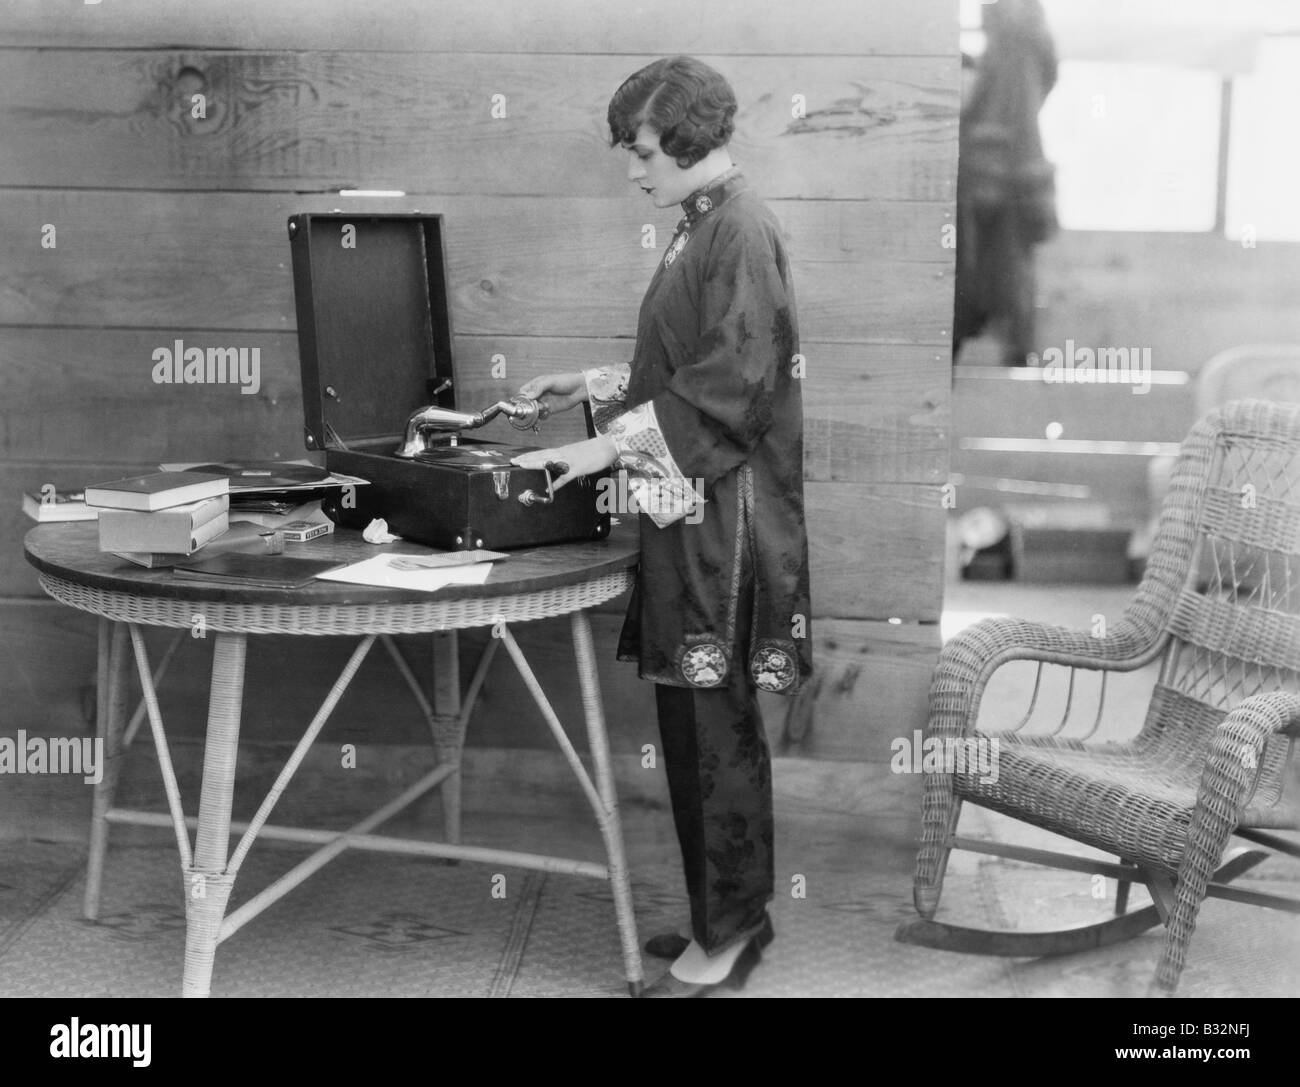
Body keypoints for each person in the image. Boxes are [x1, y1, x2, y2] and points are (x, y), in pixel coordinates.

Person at [511, 55, 812, 997]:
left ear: (687, 142)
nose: (633, 170)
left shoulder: (741, 232)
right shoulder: (704, 227)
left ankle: (727, 935)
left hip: (729, 534)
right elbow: (684, 367)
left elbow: (733, 389)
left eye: (641, 152)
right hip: (695, 515)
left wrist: (601, 452)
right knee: (694, 726)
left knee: (713, 731)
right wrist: (593, 383)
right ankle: (730, 918)